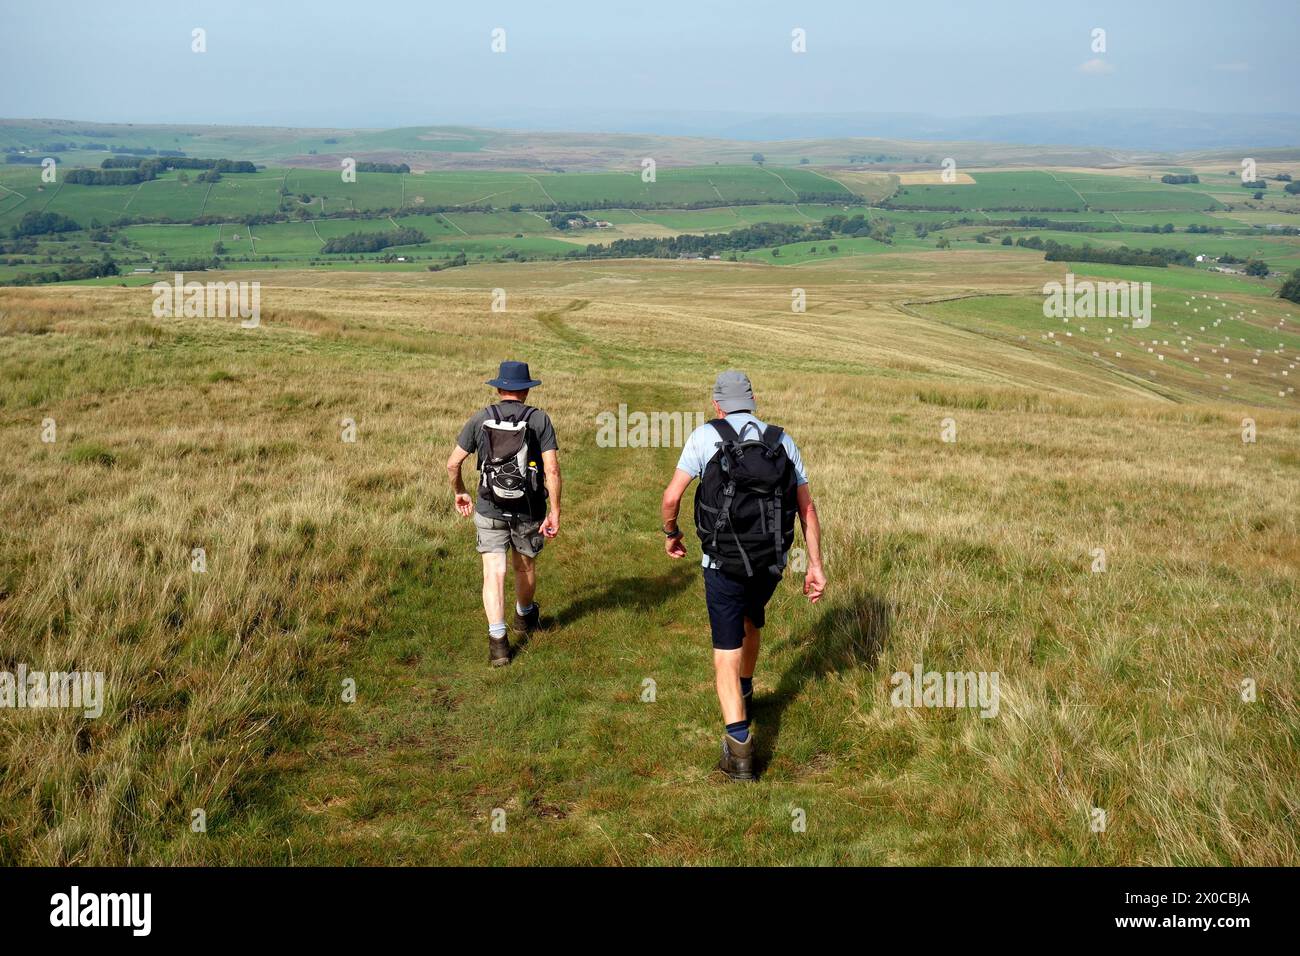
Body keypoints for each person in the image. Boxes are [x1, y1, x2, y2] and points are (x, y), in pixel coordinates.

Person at [661, 370, 826, 781]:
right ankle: (747, 691)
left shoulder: (705, 437)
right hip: (770, 563)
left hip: (722, 564)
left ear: (717, 404)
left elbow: (671, 497)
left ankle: (740, 752)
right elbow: (806, 508)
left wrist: (672, 533)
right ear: (753, 401)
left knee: (724, 654)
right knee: (752, 620)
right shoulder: (780, 442)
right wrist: (816, 565)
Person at [447, 361, 561, 666]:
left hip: (488, 507)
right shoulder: (539, 420)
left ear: (499, 389)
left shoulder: (480, 418)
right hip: (528, 509)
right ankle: (524, 616)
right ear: (525, 390)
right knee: (523, 568)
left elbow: (452, 464)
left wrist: (460, 491)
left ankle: (498, 643)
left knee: (493, 573)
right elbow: (551, 469)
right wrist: (556, 511)